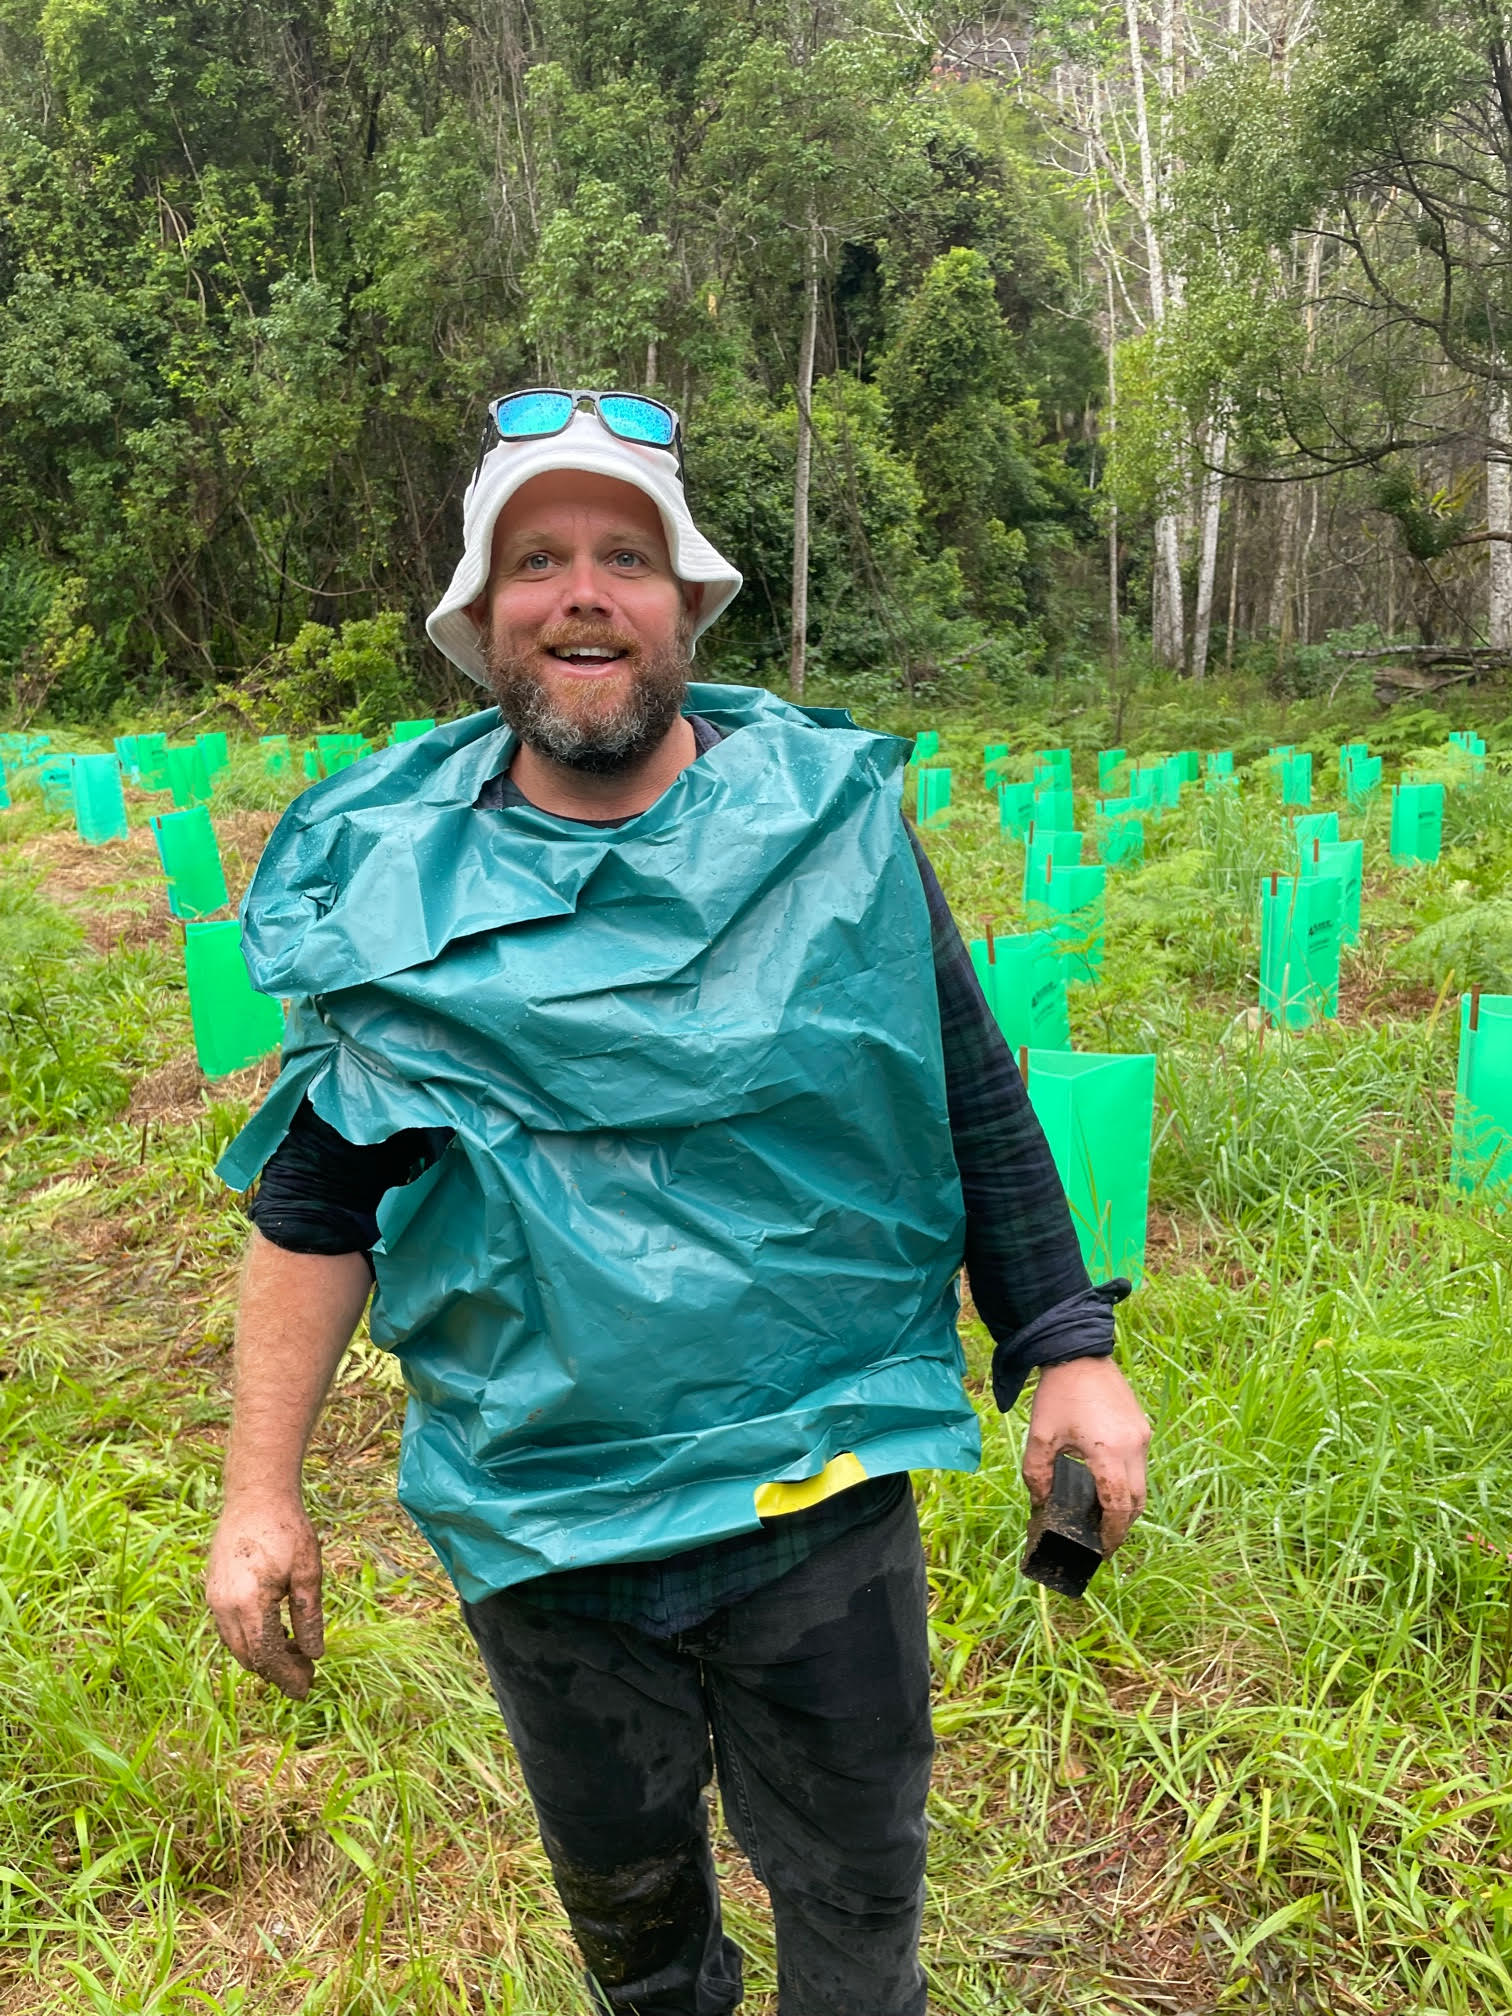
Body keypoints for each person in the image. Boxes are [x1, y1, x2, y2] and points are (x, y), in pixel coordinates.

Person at [205, 388, 1150, 2016]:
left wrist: (1065, 1342)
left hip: (821, 1491)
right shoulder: (400, 885)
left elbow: (971, 1092)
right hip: (550, 1527)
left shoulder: (833, 833)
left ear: (689, 605)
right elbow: (316, 1200)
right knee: (642, 1959)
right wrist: (259, 1493)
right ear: (481, 618)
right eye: (540, 561)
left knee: (859, 1928)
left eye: (627, 556)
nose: (585, 592)